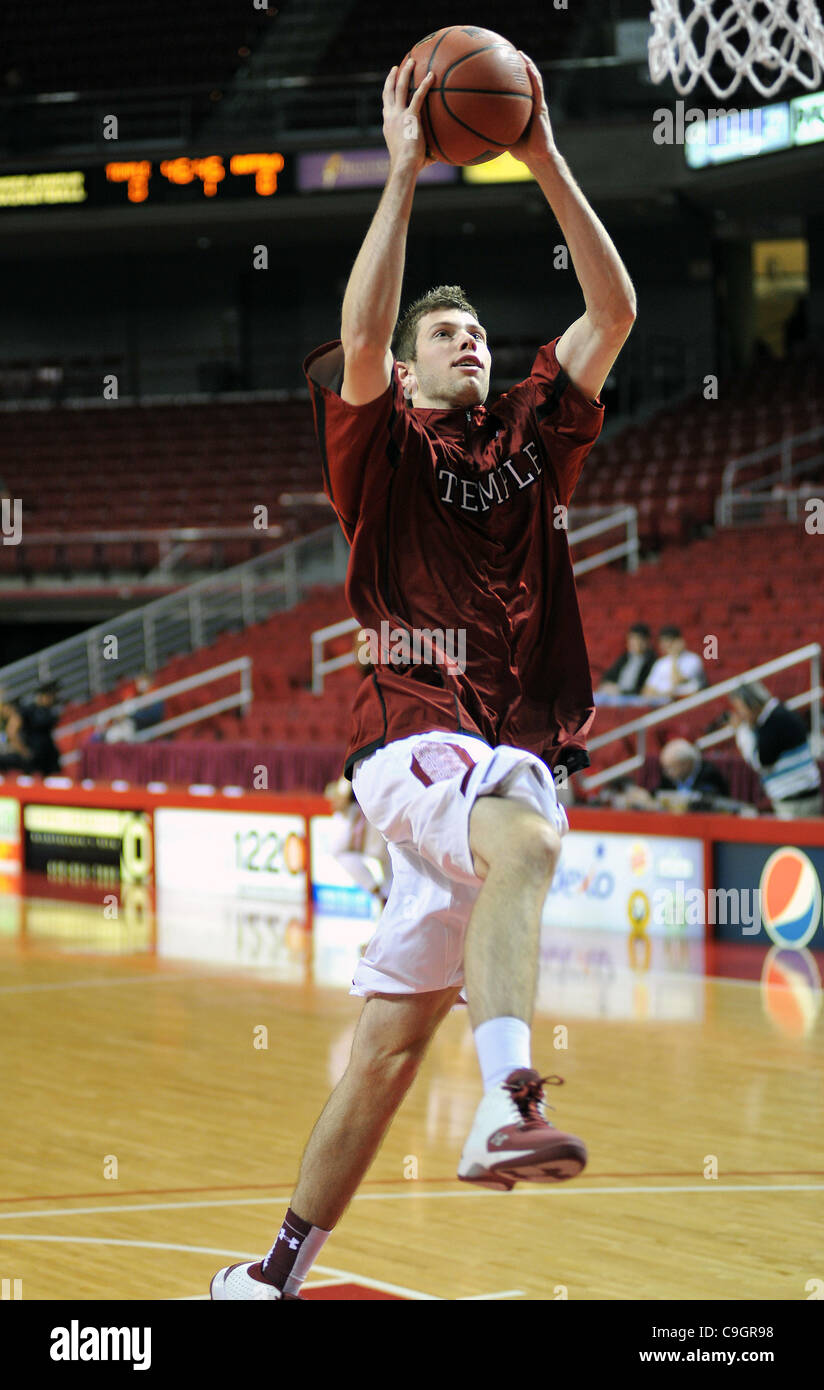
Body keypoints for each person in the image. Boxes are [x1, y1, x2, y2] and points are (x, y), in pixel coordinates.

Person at [211, 52, 636, 1300]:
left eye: (480, 332)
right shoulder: (378, 447)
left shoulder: (528, 437)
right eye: (447, 333)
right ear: (405, 370)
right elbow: (355, 330)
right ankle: (508, 1098)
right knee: (529, 835)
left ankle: (270, 1273)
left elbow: (608, 313)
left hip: (496, 746)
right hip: (411, 737)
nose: (472, 343)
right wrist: (401, 172)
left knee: (385, 1052)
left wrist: (543, 155)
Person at [729, 681, 823, 818]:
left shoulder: (773, 722)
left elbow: (760, 763)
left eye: (740, 708)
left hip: (794, 802)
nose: (740, 715)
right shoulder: (780, 714)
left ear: (753, 704)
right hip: (803, 797)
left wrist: (742, 732)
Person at [324, 775, 392, 904]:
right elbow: (341, 796)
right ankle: (381, 895)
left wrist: (341, 797)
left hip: (376, 816)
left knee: (390, 866)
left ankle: (382, 895)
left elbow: (342, 799)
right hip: (373, 818)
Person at [595, 622, 656, 704]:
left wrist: (621, 691)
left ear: (646, 641)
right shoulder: (625, 658)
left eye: (638, 639)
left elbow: (643, 688)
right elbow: (608, 677)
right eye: (632, 639)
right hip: (616, 695)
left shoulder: (652, 661)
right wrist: (608, 686)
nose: (635, 643)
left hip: (632, 697)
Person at [642, 626, 706, 702]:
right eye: (663, 642)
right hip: (660, 700)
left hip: (684, 701)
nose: (666, 645)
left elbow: (676, 680)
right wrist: (663, 694)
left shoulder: (693, 659)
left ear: (679, 641)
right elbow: (647, 690)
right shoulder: (660, 663)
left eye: (669, 641)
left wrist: (674, 657)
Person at [14, 682, 62, 775]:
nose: (52, 699)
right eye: (50, 695)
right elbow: (12, 730)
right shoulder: (28, 710)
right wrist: (23, 751)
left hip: (49, 754)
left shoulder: (50, 710)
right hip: (34, 755)